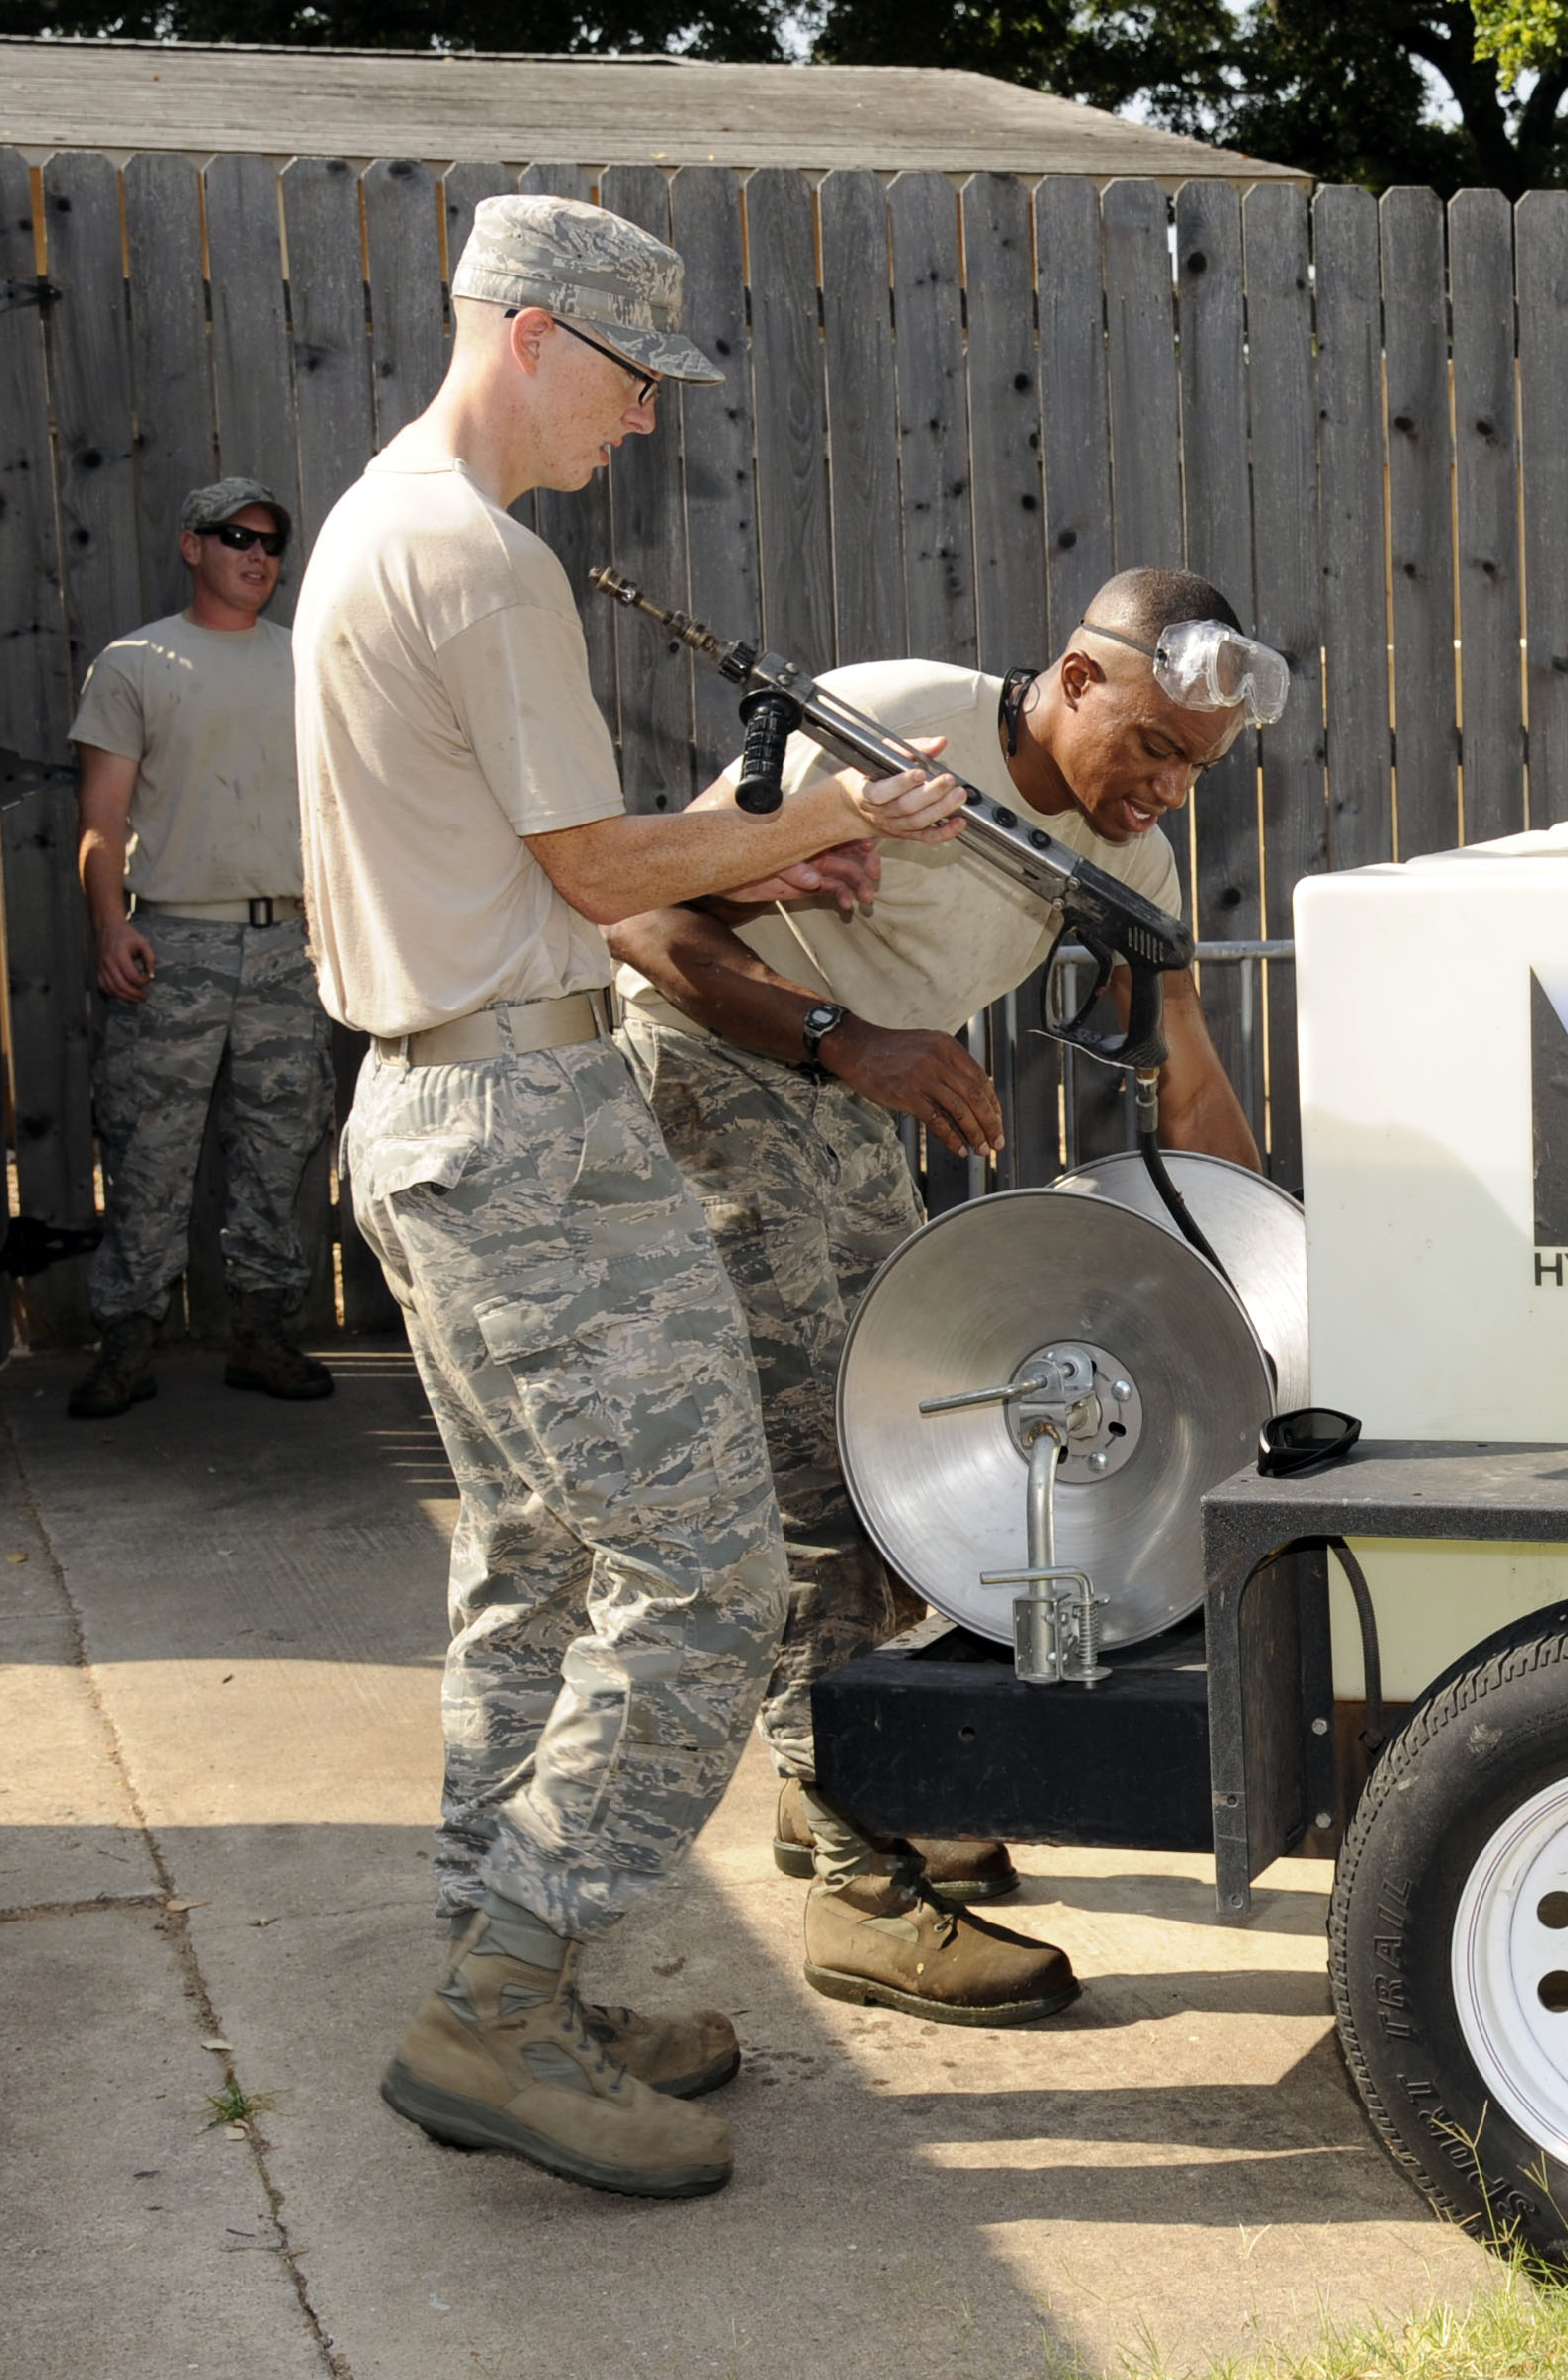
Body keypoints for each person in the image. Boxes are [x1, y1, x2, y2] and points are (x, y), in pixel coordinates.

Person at [294, 192, 964, 2201]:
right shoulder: (478, 561)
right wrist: (840, 810)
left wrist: (753, 859)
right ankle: (503, 2000)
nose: (648, 421)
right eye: (632, 374)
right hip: (526, 1134)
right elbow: (590, 879)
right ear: (522, 331)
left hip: (431, 1111)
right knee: (706, 1576)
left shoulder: (375, 527)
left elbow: (531, 864)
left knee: (535, 1564)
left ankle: (513, 1984)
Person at [605, 567, 1270, 2028]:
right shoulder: (898, 724)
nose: (1165, 785)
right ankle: (861, 1889)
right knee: (822, 1475)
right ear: (1074, 682)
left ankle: (824, 1776)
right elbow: (639, 919)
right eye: (1150, 744)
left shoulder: (1129, 860)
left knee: (887, 1438)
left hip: (847, 1107)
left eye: (1197, 766)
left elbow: (1187, 1071)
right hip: (708, 1079)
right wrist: (846, 1036)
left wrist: (1265, 1276)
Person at [65, 477, 335, 1419]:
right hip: (170, 941)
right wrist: (111, 924)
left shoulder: (308, 663)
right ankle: (126, 1344)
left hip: (287, 945)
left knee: (283, 1149)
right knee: (149, 1151)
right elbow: (99, 815)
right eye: (234, 538)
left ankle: (263, 1335)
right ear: (193, 546)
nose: (255, 556)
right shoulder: (136, 662)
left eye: (270, 542)